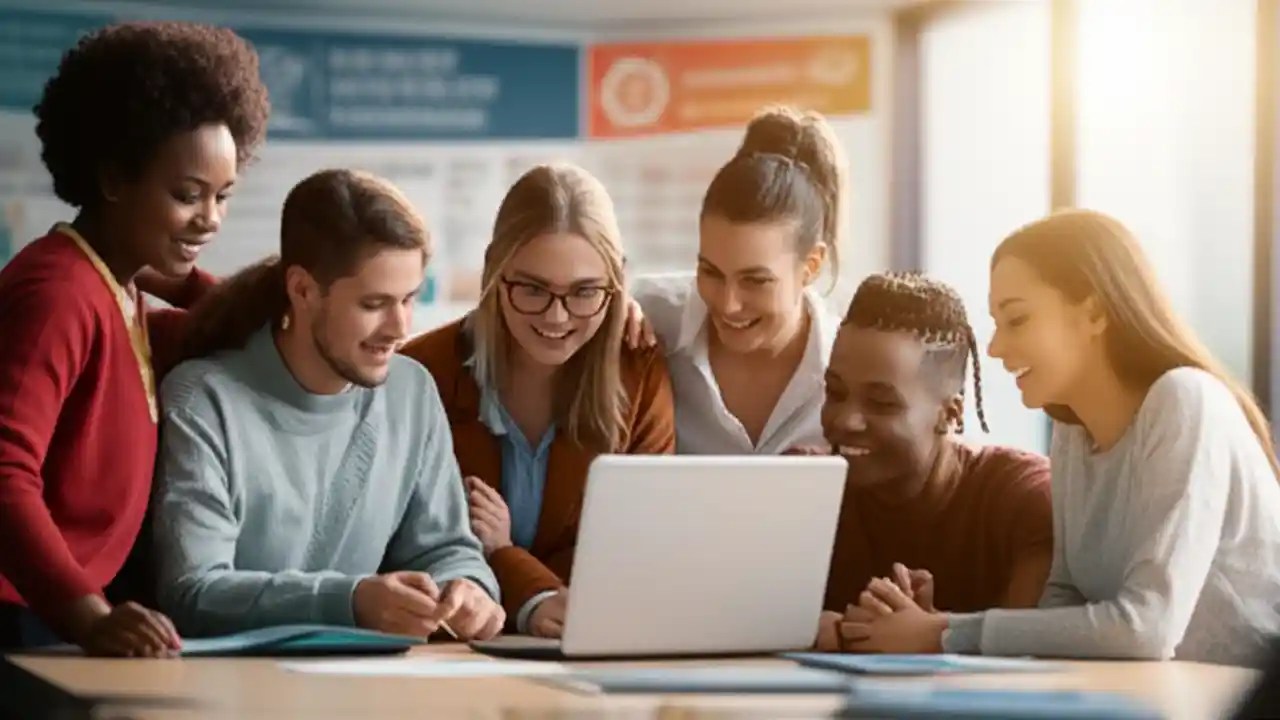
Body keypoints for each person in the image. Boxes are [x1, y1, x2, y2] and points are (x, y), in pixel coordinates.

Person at [847, 209, 1280, 667]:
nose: (993, 347)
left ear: (1093, 312)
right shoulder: (1073, 431)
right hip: (1148, 695)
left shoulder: (1183, 400)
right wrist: (938, 630)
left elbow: (1147, 629)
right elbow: (1063, 603)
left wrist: (945, 632)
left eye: (1016, 320)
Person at [0, 21, 269, 655]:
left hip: (47, 617)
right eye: (187, 195)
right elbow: (4, 473)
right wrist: (89, 616)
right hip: (25, 620)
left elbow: (232, 322)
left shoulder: (118, 291)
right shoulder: (59, 294)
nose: (210, 219)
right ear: (114, 178)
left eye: (223, 196)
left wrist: (174, 277)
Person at [151, 169, 503, 640]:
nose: (400, 327)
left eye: (410, 299)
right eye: (374, 303)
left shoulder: (411, 391)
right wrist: (350, 601)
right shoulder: (204, 400)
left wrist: (470, 591)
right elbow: (192, 591)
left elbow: (447, 551)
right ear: (303, 290)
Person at [401, 163, 676, 638]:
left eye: (584, 291)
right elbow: (412, 551)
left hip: (599, 645)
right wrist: (536, 593)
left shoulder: (638, 370)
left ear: (616, 284)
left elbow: (635, 552)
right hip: (450, 650)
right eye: (532, 288)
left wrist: (507, 559)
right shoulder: (423, 373)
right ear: (494, 271)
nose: (556, 316)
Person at [813, 273, 1052, 653]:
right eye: (836, 393)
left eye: (881, 403)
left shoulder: (1024, 500)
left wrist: (930, 634)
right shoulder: (803, 489)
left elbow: (1032, 654)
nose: (844, 420)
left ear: (950, 413)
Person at [630, 106, 842, 454]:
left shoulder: (847, 365)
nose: (728, 304)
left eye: (755, 281)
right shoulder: (649, 317)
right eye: (711, 272)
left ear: (811, 266)